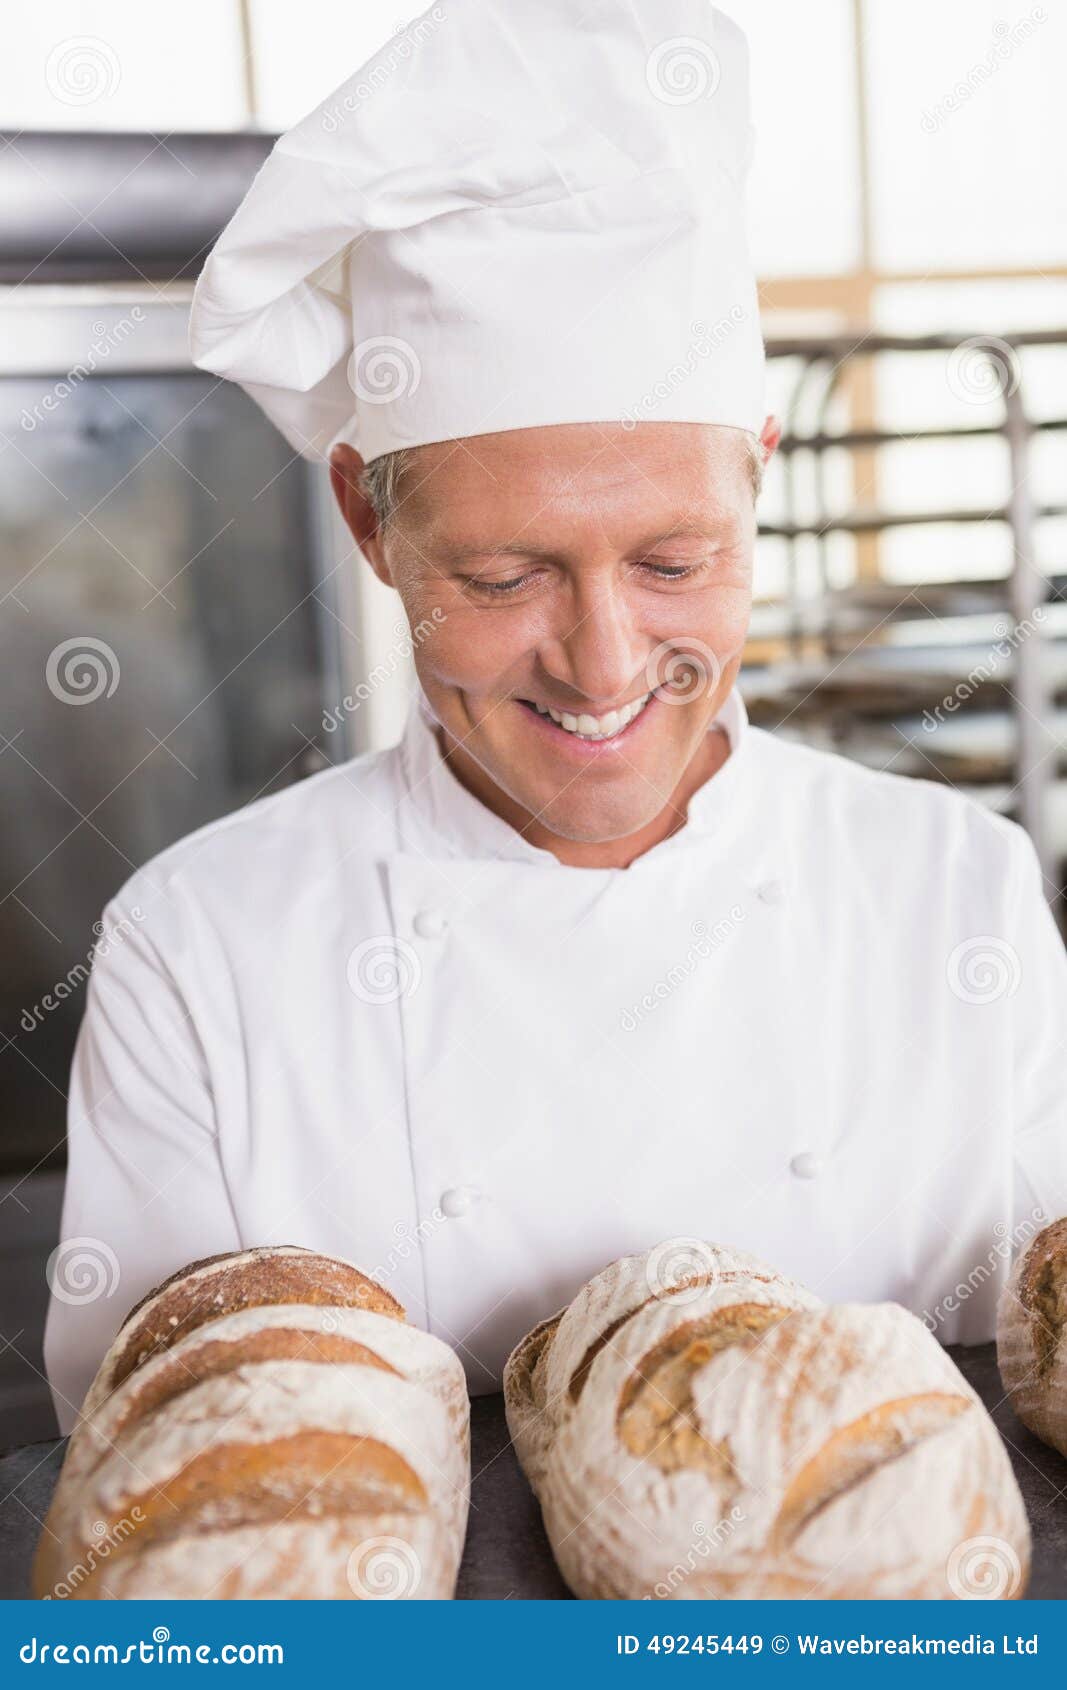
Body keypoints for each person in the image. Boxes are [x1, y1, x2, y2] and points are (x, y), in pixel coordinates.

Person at [44, 0, 1067, 1435]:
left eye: (673, 561)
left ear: (758, 484)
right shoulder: (204, 954)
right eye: (505, 574)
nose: (601, 663)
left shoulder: (960, 892)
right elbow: (172, 1513)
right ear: (369, 519)